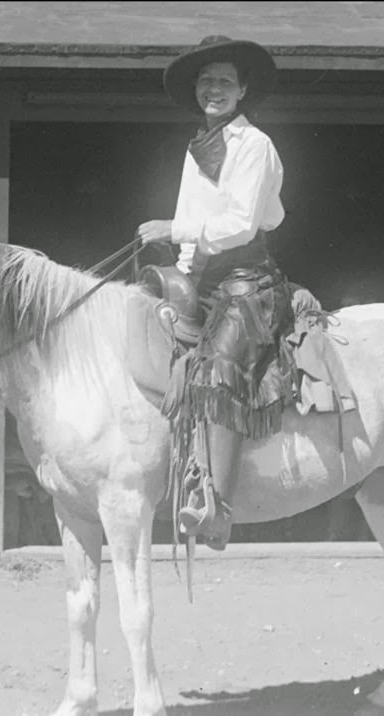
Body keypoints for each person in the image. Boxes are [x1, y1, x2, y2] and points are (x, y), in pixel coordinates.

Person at [136, 36, 295, 551]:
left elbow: (239, 225)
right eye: (206, 81)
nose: (214, 89)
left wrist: (175, 229)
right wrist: (178, 279)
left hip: (247, 280)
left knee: (218, 365)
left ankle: (214, 503)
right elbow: (195, 224)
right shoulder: (198, 145)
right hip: (203, 277)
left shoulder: (255, 146)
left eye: (225, 81)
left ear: (243, 90)